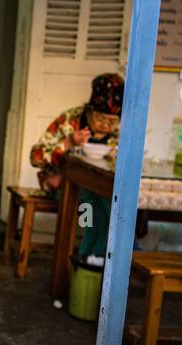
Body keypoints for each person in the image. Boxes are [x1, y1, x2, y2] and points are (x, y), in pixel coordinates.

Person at [30, 72, 125, 261]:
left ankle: (93, 255)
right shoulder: (69, 121)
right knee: (91, 204)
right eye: (100, 119)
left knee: (112, 202)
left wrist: (117, 158)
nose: (106, 126)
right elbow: (36, 157)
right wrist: (68, 143)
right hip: (63, 185)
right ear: (89, 110)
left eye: (112, 121)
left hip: (103, 188)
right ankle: (90, 256)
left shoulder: (120, 132)